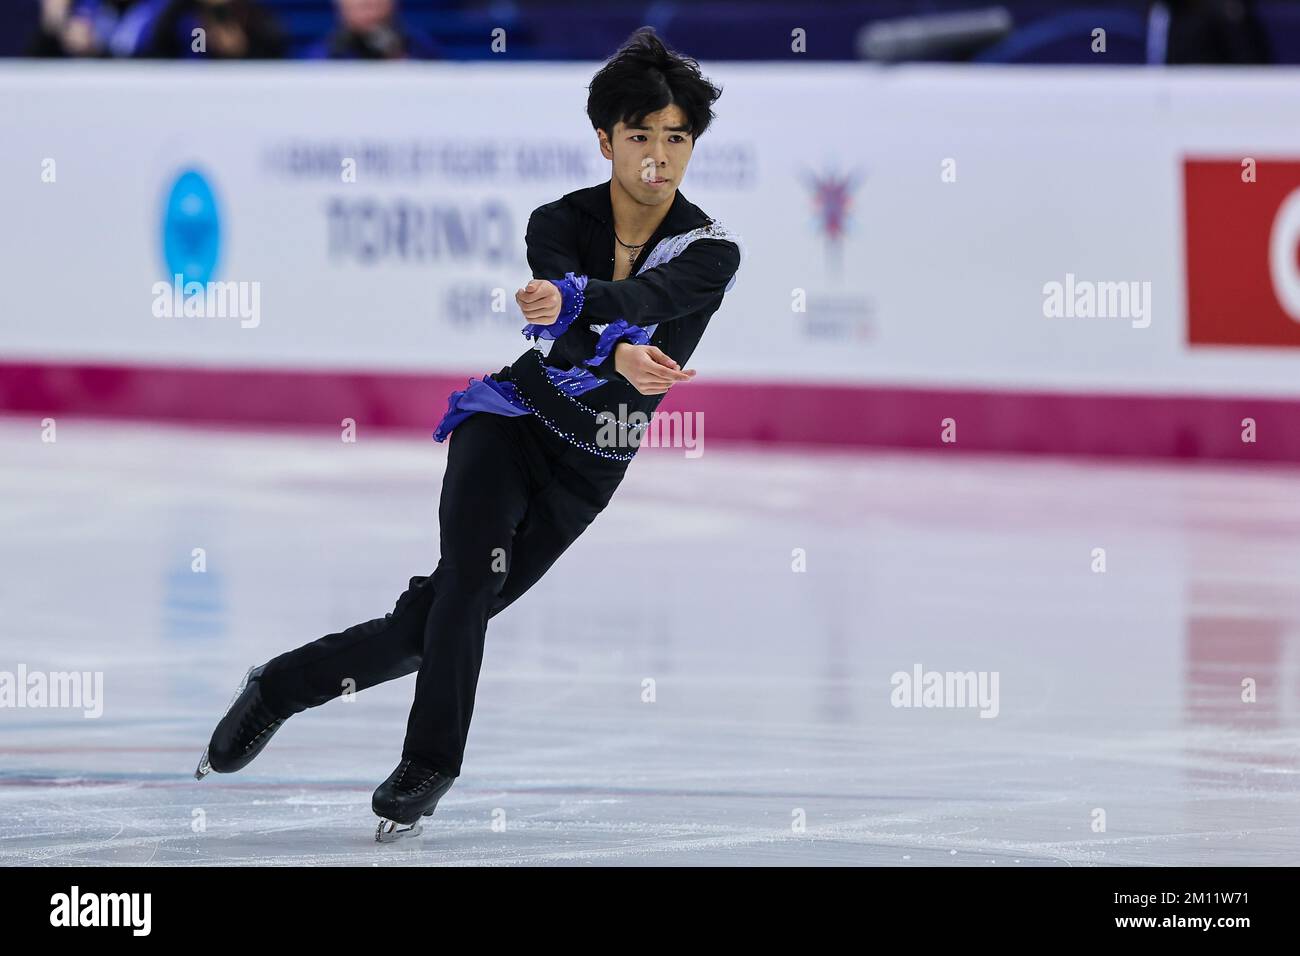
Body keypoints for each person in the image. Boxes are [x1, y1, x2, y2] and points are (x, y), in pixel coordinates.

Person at [194, 26, 743, 842]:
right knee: (472, 584)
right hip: (508, 424)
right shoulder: (555, 219)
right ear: (605, 140)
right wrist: (606, 338)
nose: (658, 156)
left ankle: (280, 685)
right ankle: (431, 765)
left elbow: (652, 295)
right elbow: (560, 313)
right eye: (639, 137)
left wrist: (609, 327)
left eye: (676, 138)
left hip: (590, 470)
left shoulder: (712, 251)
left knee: (431, 625)